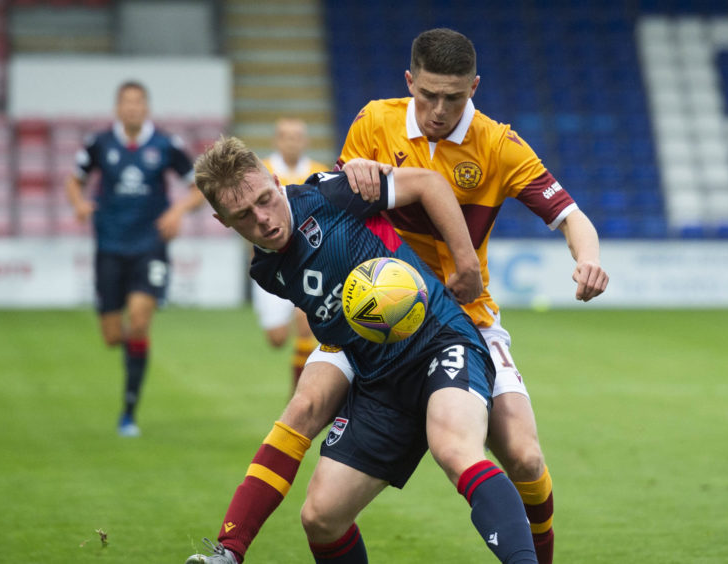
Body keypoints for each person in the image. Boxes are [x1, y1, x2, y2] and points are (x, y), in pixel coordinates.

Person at [191, 28, 609, 564]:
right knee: (306, 416)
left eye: (453, 98)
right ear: (409, 82)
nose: (438, 110)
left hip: (459, 312)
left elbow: (570, 216)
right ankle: (229, 548)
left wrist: (587, 258)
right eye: (427, 95)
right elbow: (334, 211)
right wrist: (356, 170)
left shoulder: (499, 147)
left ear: (474, 88)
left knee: (524, 457)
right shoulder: (373, 122)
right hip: (371, 309)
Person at [187, 136, 537, 563]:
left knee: (455, 449)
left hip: (439, 340)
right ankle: (230, 550)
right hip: (377, 381)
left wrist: (465, 263)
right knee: (320, 516)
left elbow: (428, 183)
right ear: (222, 221)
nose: (263, 219)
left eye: (265, 199)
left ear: (277, 182)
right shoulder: (266, 271)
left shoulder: (333, 191)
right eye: (243, 215)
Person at [65, 80, 204, 437]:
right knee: (114, 336)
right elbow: (74, 180)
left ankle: (128, 412)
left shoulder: (165, 144)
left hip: (150, 246)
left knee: (139, 321)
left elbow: (198, 187)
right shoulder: (99, 144)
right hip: (110, 247)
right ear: (117, 108)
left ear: (146, 108)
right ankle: (134, 353)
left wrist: (176, 213)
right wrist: (80, 204)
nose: (132, 108)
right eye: (126, 103)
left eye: (138, 102)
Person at [252, 118, 328, 393]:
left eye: (298, 137)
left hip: (309, 265)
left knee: (305, 328)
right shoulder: (261, 171)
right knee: (277, 338)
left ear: (305, 141)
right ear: (277, 140)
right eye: (287, 137)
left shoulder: (318, 173)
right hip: (273, 266)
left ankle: (299, 400)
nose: (292, 142)